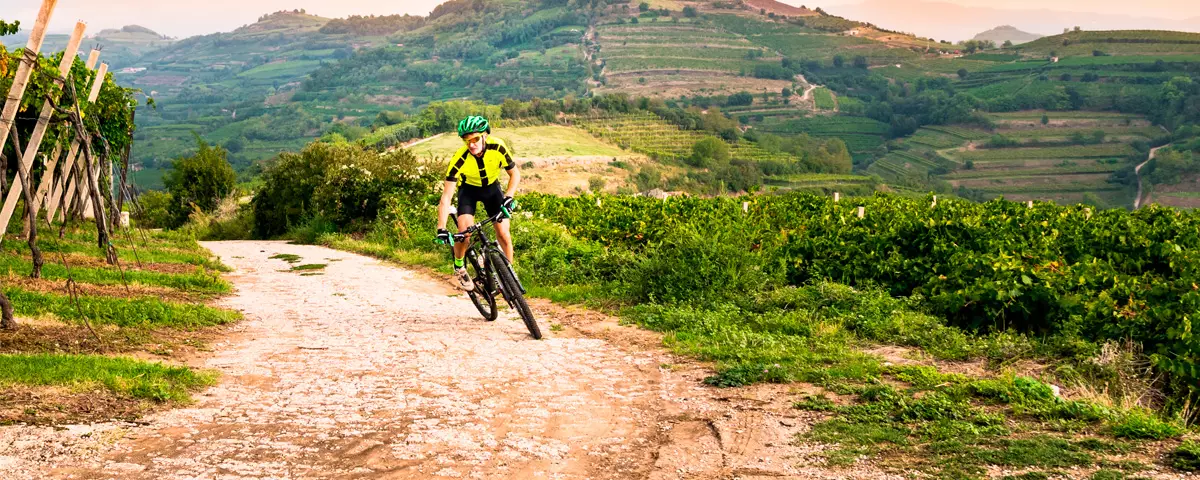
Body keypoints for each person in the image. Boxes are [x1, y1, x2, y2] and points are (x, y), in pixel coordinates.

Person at [434, 115, 521, 290]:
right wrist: (441, 228)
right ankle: (459, 266)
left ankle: (509, 274)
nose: (471, 144)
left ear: (484, 136)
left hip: (492, 189)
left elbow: (515, 174)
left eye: (475, 139)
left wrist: (509, 196)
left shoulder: (498, 146)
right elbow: (446, 197)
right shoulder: (459, 159)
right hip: (469, 191)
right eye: (467, 140)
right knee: (464, 233)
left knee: (504, 234)